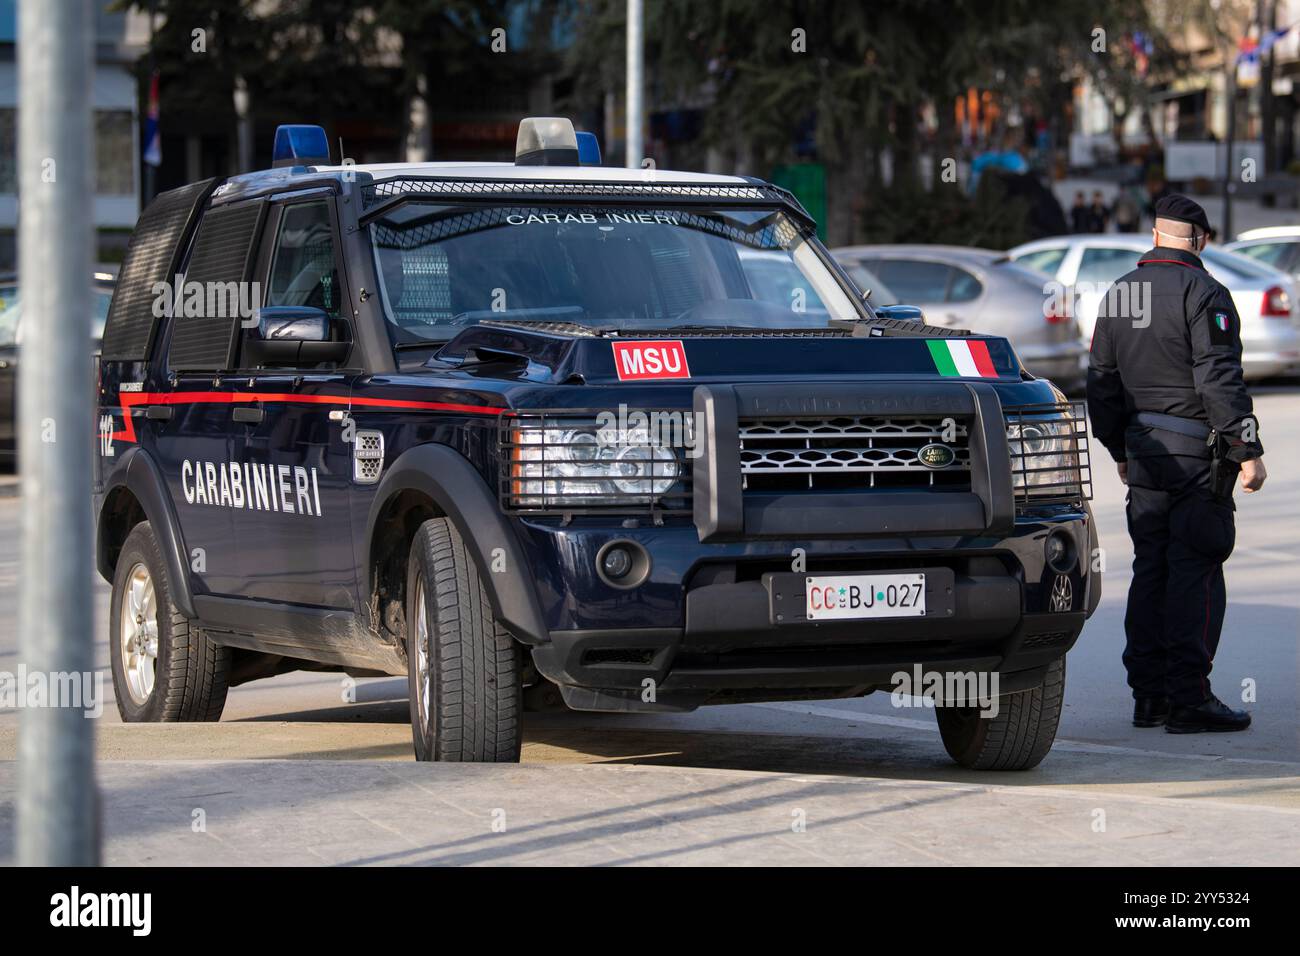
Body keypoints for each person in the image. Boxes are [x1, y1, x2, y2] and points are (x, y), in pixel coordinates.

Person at [1087, 194, 1266, 734]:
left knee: (1151, 569)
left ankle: (1149, 698)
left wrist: (1120, 449)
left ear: (1155, 234)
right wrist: (1248, 448)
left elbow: (1101, 383)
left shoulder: (1118, 294)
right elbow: (1219, 381)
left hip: (1144, 457)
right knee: (1196, 571)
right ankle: (1189, 698)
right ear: (1202, 239)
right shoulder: (1206, 293)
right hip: (1196, 460)